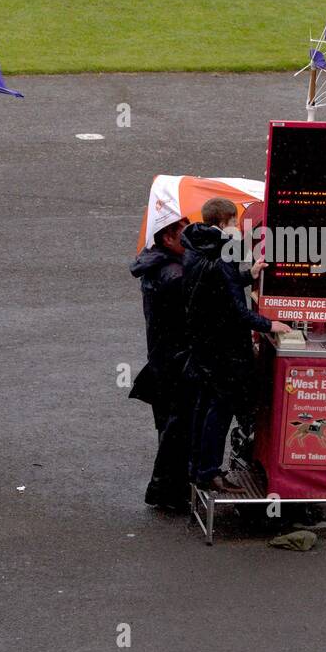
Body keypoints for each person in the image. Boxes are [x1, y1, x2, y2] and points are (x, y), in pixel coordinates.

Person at [180, 198, 291, 494]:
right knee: (220, 409)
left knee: (205, 407)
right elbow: (236, 311)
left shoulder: (195, 248)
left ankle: (197, 468)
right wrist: (270, 325)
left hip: (204, 346)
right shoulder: (222, 256)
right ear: (222, 224)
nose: (236, 229)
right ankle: (210, 472)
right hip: (224, 350)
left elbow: (216, 285)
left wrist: (247, 274)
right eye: (233, 223)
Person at [129, 217, 190, 509]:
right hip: (177, 362)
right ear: (167, 239)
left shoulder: (154, 266)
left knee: (169, 427)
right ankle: (169, 491)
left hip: (162, 360)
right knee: (177, 429)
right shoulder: (175, 276)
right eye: (184, 234)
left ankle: (170, 489)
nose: (189, 238)